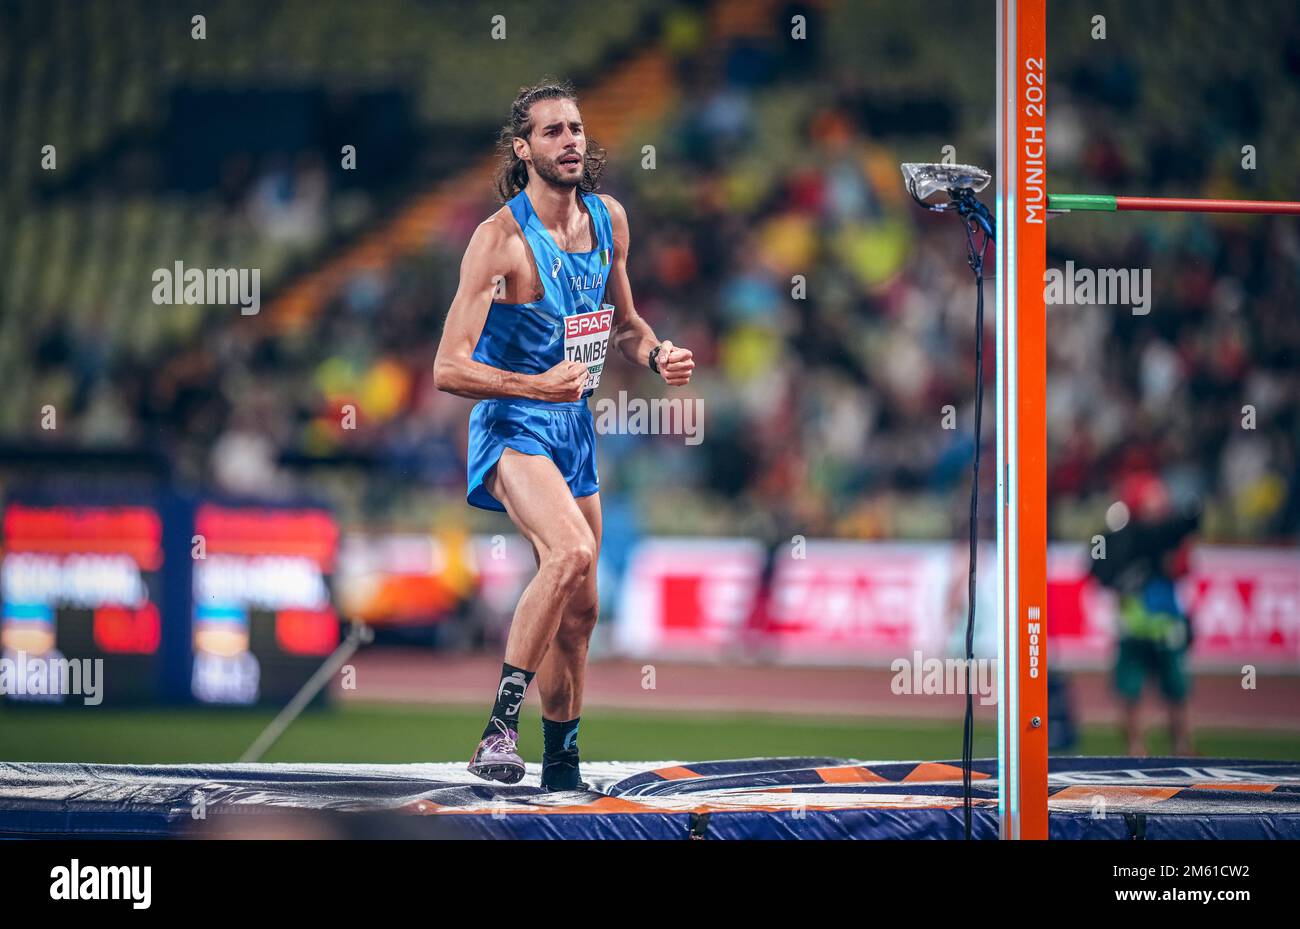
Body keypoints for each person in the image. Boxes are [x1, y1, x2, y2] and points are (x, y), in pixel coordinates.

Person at [433, 80, 695, 790]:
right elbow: (447, 367)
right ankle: (496, 729)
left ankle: (562, 770)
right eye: (552, 131)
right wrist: (533, 386)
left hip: (572, 428)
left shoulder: (609, 219)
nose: (571, 140)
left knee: (581, 613)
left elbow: (627, 322)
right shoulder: (500, 241)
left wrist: (654, 352)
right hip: (511, 422)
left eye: (576, 128)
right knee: (572, 550)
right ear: (523, 151)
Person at [1089, 472, 1200, 756]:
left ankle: (1179, 745)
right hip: (1138, 627)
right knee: (1135, 692)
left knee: (1174, 690)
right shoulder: (1126, 538)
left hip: (1161, 626)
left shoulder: (1162, 536)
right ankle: (1139, 749)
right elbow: (1098, 570)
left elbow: (1182, 563)